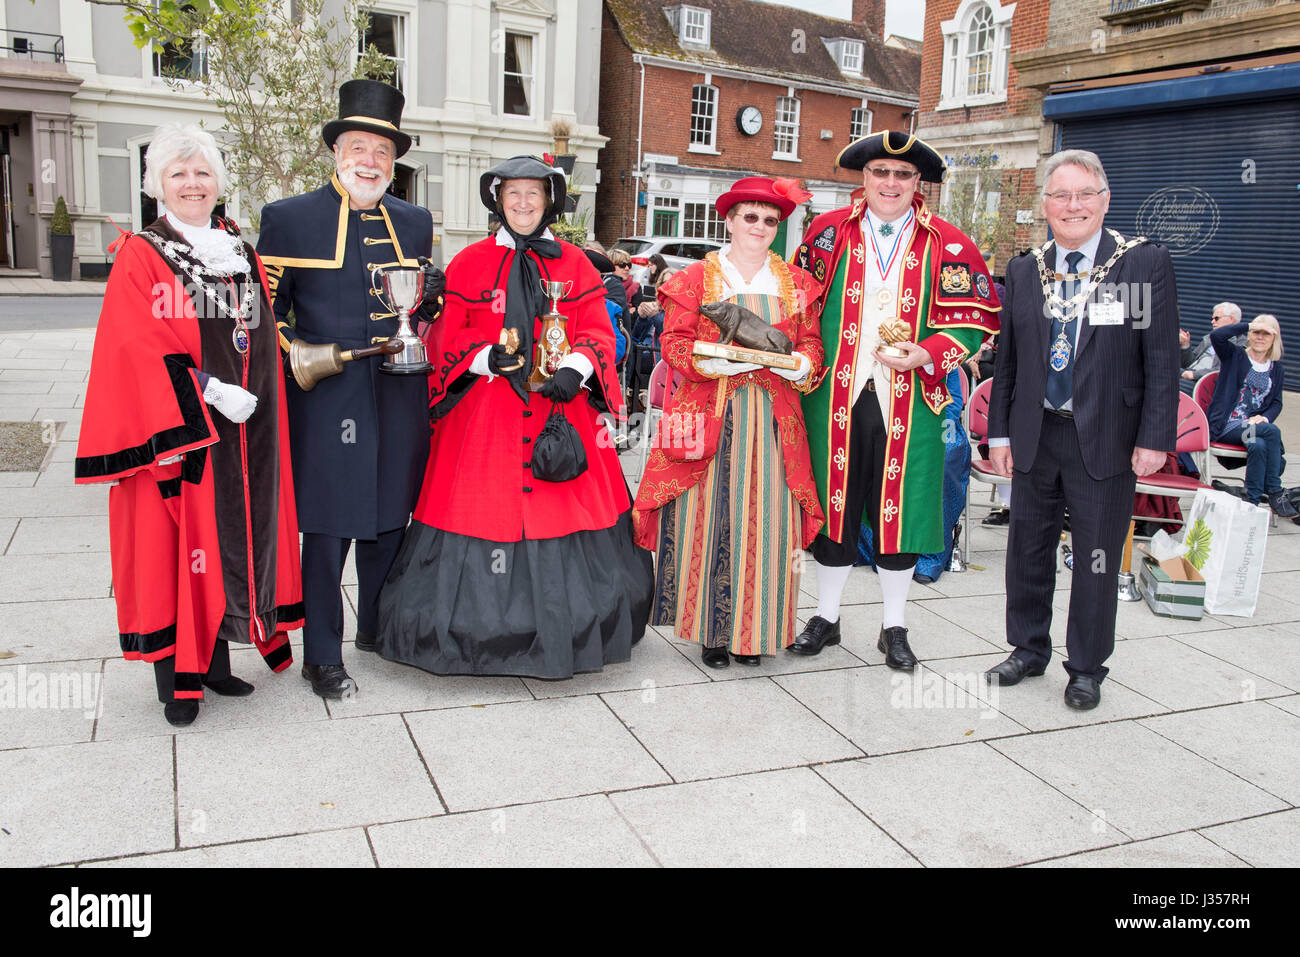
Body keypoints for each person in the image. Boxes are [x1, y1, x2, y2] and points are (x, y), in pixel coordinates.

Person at [375, 155, 654, 677]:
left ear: (548, 200)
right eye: (513, 194)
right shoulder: (468, 262)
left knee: (561, 507)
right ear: (498, 200)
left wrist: (574, 368)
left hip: (558, 407)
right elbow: (445, 337)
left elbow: (598, 331)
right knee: (479, 503)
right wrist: (483, 358)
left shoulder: (574, 263)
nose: (523, 203)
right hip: (485, 413)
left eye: (533, 193)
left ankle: (568, 630)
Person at [75, 124, 303, 726]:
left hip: (245, 425)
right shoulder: (141, 255)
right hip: (185, 431)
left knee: (236, 531)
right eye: (178, 174)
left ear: (217, 183)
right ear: (157, 185)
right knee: (180, 543)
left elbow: (251, 328)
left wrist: (256, 391)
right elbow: (135, 347)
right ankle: (176, 678)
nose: (192, 184)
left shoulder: (238, 247)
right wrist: (209, 389)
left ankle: (219, 660)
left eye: (202, 173)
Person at [256, 79, 441, 700]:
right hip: (326, 396)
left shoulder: (415, 223)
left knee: (390, 515)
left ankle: (378, 630)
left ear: (395, 163)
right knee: (329, 526)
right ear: (336, 152)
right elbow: (264, 315)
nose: (370, 161)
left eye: (383, 153)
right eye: (359, 146)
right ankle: (323, 655)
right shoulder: (287, 218)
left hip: (397, 393)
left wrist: (430, 308)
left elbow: (411, 312)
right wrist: (298, 353)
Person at [791, 131, 999, 667]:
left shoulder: (949, 243)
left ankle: (894, 625)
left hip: (913, 400)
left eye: (902, 175)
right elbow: (798, 304)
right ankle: (828, 616)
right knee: (834, 507)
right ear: (864, 177)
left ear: (917, 183)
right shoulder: (826, 232)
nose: (890, 183)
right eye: (881, 171)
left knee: (900, 513)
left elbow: (974, 320)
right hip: (833, 397)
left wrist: (926, 354)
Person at [986, 148, 1179, 710]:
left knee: (1096, 555)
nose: (1073, 206)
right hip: (1035, 432)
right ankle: (1027, 647)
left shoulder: (1139, 264)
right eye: (1061, 196)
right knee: (1027, 548)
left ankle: (1087, 666)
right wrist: (999, 434)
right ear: (1044, 205)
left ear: (1105, 201)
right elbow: (1011, 362)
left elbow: (1161, 359)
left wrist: (1155, 437)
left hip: (1108, 436)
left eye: (1084, 195)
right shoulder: (1025, 269)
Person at [632, 176, 825, 667]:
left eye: (769, 220)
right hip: (707, 413)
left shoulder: (798, 284)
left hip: (775, 417)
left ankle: (757, 631)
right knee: (709, 518)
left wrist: (805, 363)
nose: (760, 227)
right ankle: (711, 632)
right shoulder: (696, 277)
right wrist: (712, 362)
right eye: (750, 217)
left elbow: (811, 344)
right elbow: (673, 344)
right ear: (730, 220)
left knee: (770, 525)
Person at [1207, 314, 1294, 518]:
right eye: (1257, 332)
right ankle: (1274, 491)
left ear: (1274, 338)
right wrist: (1249, 324)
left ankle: (1252, 503)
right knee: (1271, 431)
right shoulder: (1234, 356)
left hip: (1251, 429)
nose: (1261, 337)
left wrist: (1264, 417)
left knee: (1259, 444)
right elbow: (1217, 335)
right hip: (1226, 426)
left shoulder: (1276, 369)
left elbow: (1276, 403)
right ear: (1250, 334)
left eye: (1266, 333)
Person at [1180, 302, 1244, 394]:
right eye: (1212, 318)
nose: (1212, 321)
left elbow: (1223, 370)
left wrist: (1194, 374)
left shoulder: (1241, 344)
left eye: (1216, 318)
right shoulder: (1210, 338)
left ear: (1231, 319)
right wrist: (1185, 345)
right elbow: (1189, 363)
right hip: (1188, 376)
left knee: (1171, 388)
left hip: (1204, 383)